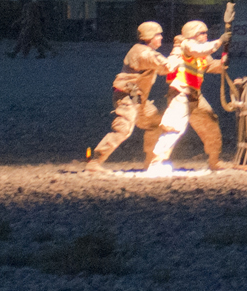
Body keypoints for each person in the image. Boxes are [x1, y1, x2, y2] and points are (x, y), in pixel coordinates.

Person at [83, 21, 172, 173]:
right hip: (128, 94)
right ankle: (95, 160)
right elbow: (166, 66)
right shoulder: (143, 52)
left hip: (137, 96)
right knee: (124, 128)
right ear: (149, 37)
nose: (161, 38)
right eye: (158, 35)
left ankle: (151, 161)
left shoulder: (146, 51)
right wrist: (180, 51)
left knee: (154, 124)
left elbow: (163, 70)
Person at [156, 11, 233, 173]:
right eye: (201, 33)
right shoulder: (186, 46)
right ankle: (157, 162)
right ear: (192, 35)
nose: (205, 35)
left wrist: (223, 62)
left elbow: (212, 65)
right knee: (174, 127)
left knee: (210, 123)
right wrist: (219, 42)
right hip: (180, 94)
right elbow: (201, 50)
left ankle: (214, 160)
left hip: (195, 95)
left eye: (206, 33)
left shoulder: (200, 52)